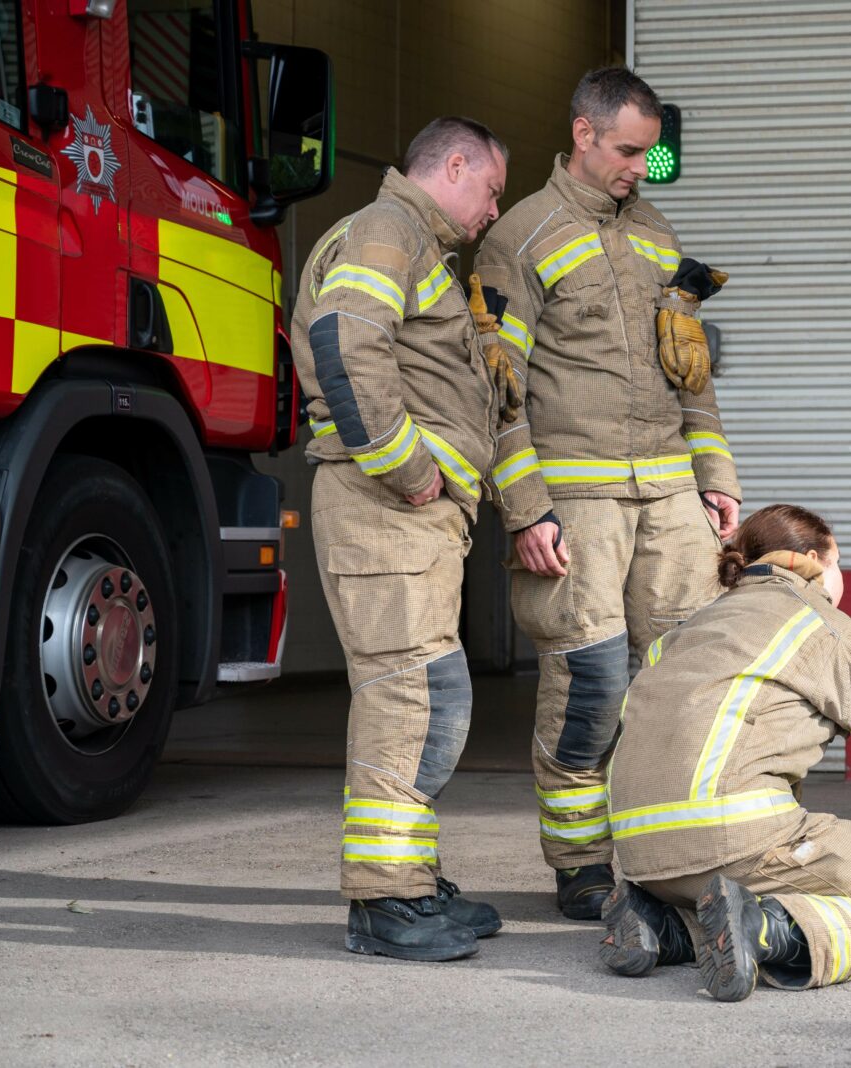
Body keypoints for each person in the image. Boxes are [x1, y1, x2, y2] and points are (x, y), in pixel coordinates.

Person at [474, 67, 742, 920]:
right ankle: (582, 865)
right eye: (628, 151)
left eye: (649, 153)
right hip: (576, 496)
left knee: (687, 678)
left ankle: (676, 857)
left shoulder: (657, 232)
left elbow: (691, 371)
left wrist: (716, 480)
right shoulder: (519, 237)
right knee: (589, 684)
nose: (639, 168)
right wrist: (525, 509)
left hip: (668, 491)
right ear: (583, 134)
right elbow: (495, 388)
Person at [599, 504, 851, 1001]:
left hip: (641, 856)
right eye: (838, 562)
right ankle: (763, 929)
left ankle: (662, 926)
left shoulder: (687, 630)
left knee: (744, 878)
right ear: (815, 560)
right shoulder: (814, 623)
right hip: (728, 840)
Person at [291, 117, 517, 962]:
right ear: (453, 166)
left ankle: (411, 879)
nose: (494, 210)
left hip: (411, 519)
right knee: (408, 697)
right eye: (490, 189)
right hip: (385, 506)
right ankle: (385, 901)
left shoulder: (415, 246)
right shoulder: (388, 230)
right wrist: (409, 469)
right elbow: (345, 343)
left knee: (430, 697)